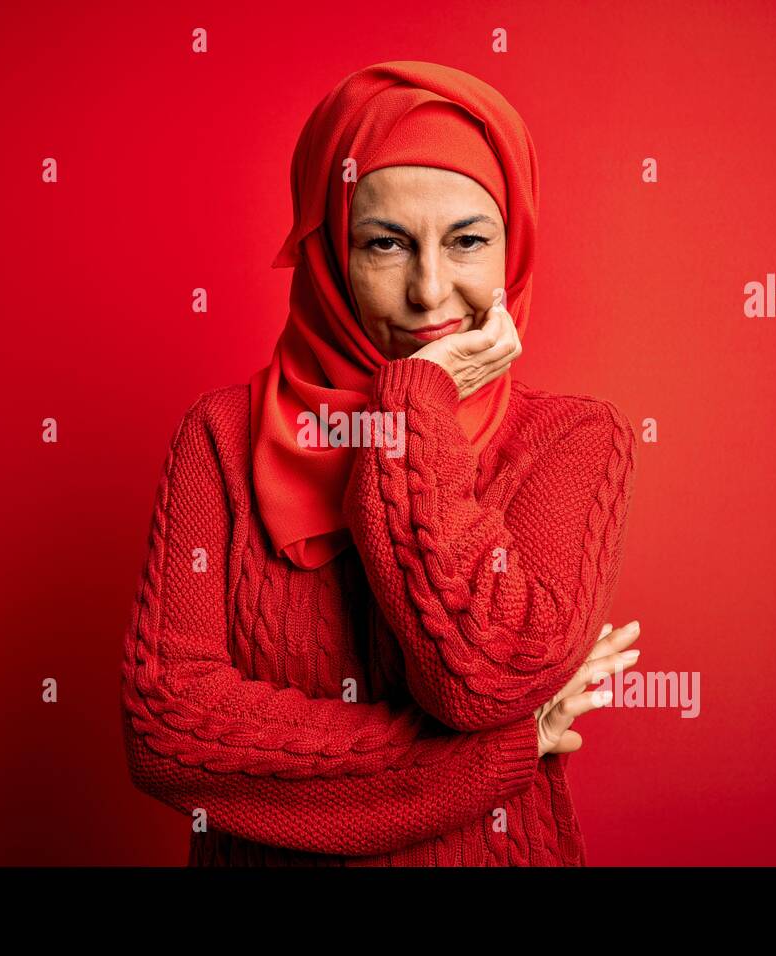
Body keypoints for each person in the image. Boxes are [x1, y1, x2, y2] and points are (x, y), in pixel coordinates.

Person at [121, 60, 640, 866]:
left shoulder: (572, 440)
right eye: (386, 244)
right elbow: (168, 734)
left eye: (467, 241)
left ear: (517, 245)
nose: (430, 293)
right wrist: (496, 754)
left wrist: (407, 409)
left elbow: (477, 677)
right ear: (330, 252)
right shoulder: (221, 437)